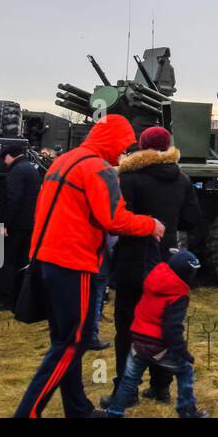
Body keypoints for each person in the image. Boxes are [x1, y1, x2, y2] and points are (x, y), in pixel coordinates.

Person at [13, 114, 165, 419]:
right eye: (123, 145)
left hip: (45, 259)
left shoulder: (65, 160)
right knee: (72, 343)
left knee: (65, 341)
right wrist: (151, 225)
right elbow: (115, 219)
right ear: (112, 140)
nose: (123, 152)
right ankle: (28, 412)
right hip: (73, 262)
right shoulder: (97, 168)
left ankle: (78, 409)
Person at [106, 125, 201, 407]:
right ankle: (161, 387)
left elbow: (118, 217)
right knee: (162, 324)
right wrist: (169, 224)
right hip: (165, 260)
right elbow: (193, 218)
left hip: (133, 260)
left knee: (126, 327)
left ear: (142, 147)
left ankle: (126, 391)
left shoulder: (130, 178)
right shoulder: (181, 178)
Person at [103, 249, 208, 419]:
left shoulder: (154, 279)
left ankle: (114, 412)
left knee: (129, 379)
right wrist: (182, 351)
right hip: (157, 344)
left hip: (138, 338)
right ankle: (187, 410)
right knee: (184, 371)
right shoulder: (178, 294)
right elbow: (172, 328)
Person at [0, 143, 42, 311]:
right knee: (22, 260)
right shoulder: (31, 169)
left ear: (9, 156)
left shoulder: (17, 171)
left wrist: (6, 223)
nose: (4, 162)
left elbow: (13, 198)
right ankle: (18, 297)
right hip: (29, 223)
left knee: (6, 260)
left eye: (4, 158)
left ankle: (4, 298)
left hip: (15, 225)